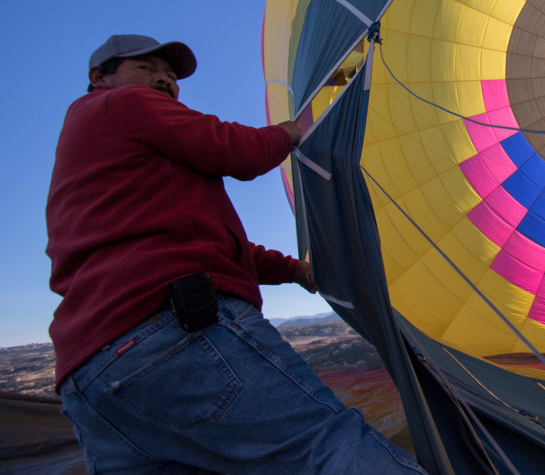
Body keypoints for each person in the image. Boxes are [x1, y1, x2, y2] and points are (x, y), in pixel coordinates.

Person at [46, 34, 424, 474]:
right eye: (146, 69)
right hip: (171, 332)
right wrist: (288, 133)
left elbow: (208, 242)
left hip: (90, 378)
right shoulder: (121, 104)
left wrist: (294, 271)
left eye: (169, 75)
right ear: (100, 77)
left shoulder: (105, 156)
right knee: (323, 446)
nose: (163, 80)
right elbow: (234, 150)